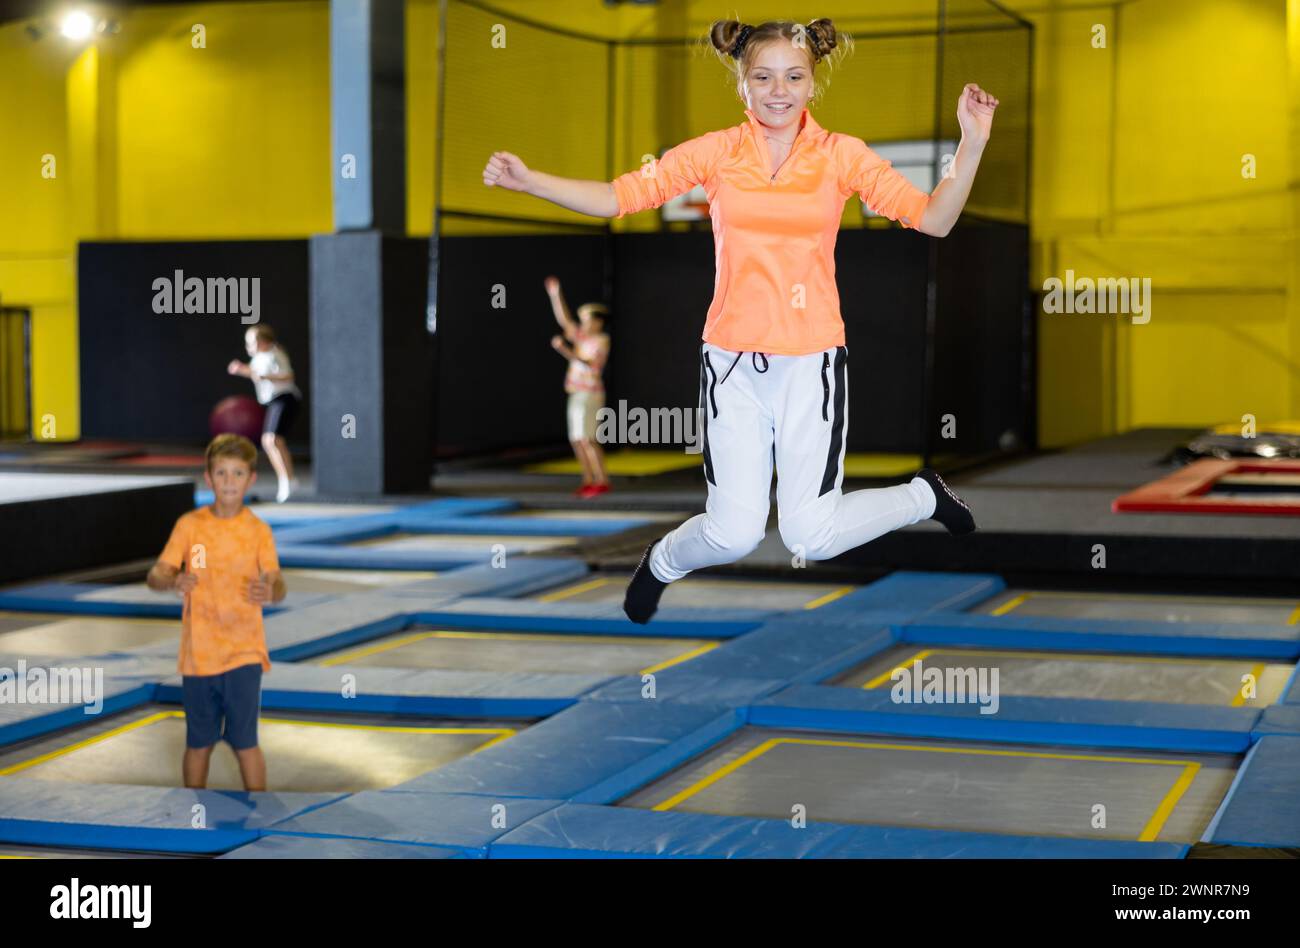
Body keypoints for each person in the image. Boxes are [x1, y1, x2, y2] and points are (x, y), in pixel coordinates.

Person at [483, 18, 996, 624]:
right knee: (733, 534)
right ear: (743, 84)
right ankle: (662, 564)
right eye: (763, 77)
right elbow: (615, 198)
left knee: (814, 537)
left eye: (794, 76)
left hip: (810, 363)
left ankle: (922, 496)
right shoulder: (717, 152)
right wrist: (530, 181)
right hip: (731, 364)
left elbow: (933, 219)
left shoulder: (842, 157)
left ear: (812, 84)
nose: (779, 90)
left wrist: (972, 142)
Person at [146, 434, 286, 790]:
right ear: (208, 478)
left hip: (244, 654)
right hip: (200, 657)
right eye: (221, 473)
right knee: (198, 743)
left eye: (237, 474)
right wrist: (173, 579)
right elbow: (156, 574)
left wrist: (271, 590)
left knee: (245, 743)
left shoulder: (257, 531)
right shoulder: (190, 526)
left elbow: (276, 580)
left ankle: (261, 819)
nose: (229, 482)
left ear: (251, 479)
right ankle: (194, 817)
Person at [545, 275, 612, 497]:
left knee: (588, 438)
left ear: (598, 321)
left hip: (590, 392)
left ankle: (601, 478)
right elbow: (565, 320)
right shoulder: (583, 337)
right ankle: (588, 478)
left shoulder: (600, 340)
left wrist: (565, 350)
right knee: (576, 439)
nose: (583, 323)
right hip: (575, 392)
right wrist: (555, 294)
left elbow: (590, 363)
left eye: (588, 319)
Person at [227, 324, 301, 503]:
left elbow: (288, 376)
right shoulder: (258, 358)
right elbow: (256, 374)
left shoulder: (275, 354)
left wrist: (265, 376)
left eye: (251, 342)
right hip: (274, 401)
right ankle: (287, 480)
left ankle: (288, 481)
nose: (248, 346)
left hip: (285, 398)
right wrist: (241, 370)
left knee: (274, 439)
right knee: (268, 441)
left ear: (263, 341)